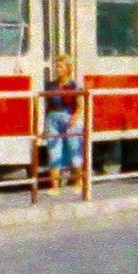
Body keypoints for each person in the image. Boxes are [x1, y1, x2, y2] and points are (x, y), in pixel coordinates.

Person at [43, 55, 85, 193]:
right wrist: (45, 125)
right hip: (53, 119)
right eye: (57, 66)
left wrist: (75, 117)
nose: (58, 69)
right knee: (54, 152)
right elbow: (47, 106)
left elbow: (80, 105)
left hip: (69, 118)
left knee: (75, 150)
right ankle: (54, 187)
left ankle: (78, 182)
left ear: (68, 68)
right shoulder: (50, 85)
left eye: (61, 66)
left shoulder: (74, 85)